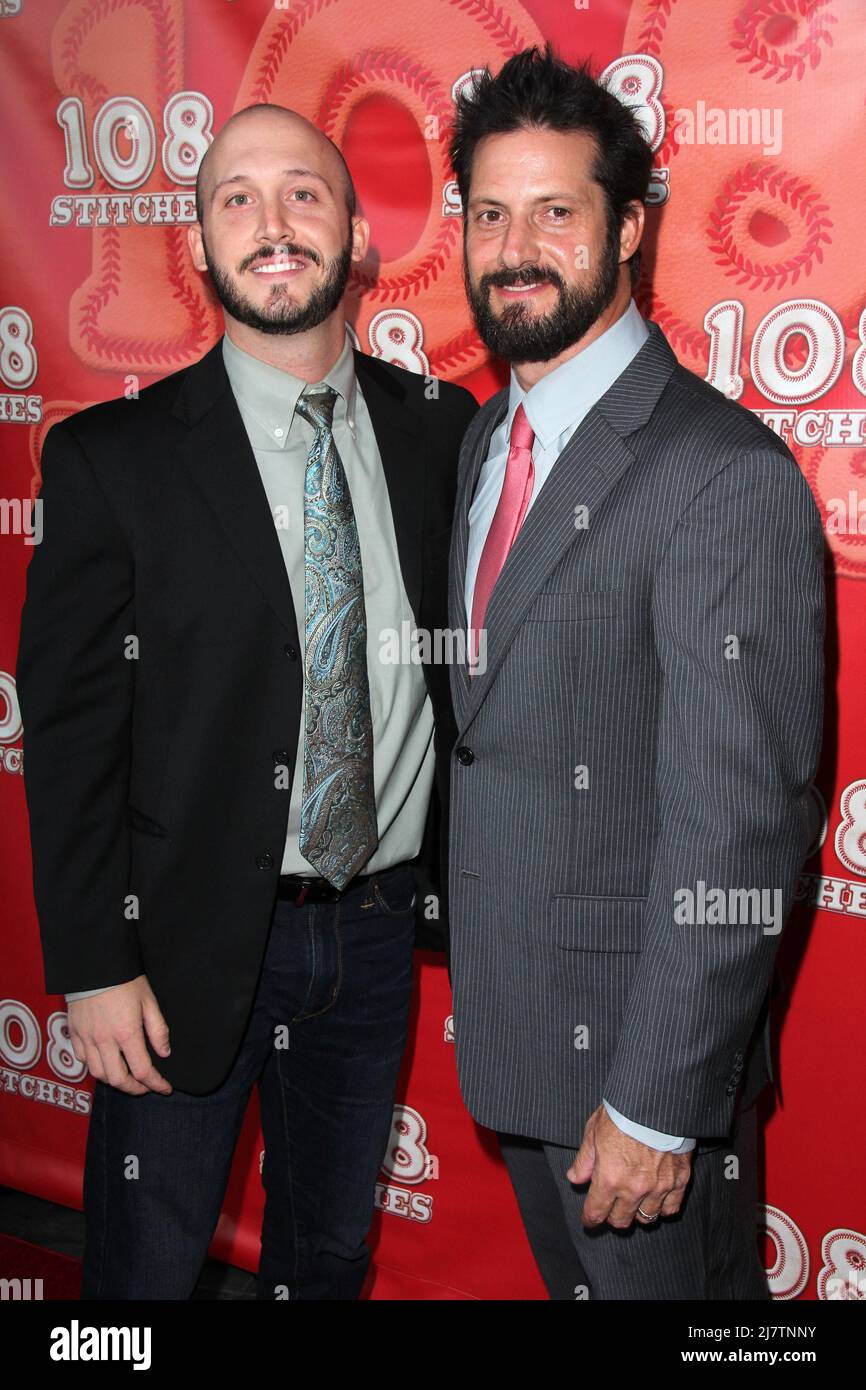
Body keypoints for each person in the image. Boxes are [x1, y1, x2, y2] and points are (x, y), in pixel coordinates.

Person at [16, 102, 476, 1300]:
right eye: (236, 199)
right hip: (178, 943)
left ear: (358, 238)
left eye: (304, 194)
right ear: (200, 248)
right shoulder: (113, 458)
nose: (272, 224)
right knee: (143, 1270)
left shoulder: (443, 434)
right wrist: (91, 962)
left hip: (374, 932)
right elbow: (66, 737)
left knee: (327, 1254)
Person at [445, 47, 825, 1300]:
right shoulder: (487, 436)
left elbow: (738, 831)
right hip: (523, 1045)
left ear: (628, 230)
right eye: (490, 213)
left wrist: (658, 1103)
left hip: (636, 1081)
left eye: (555, 211)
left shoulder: (719, 476)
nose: (515, 246)